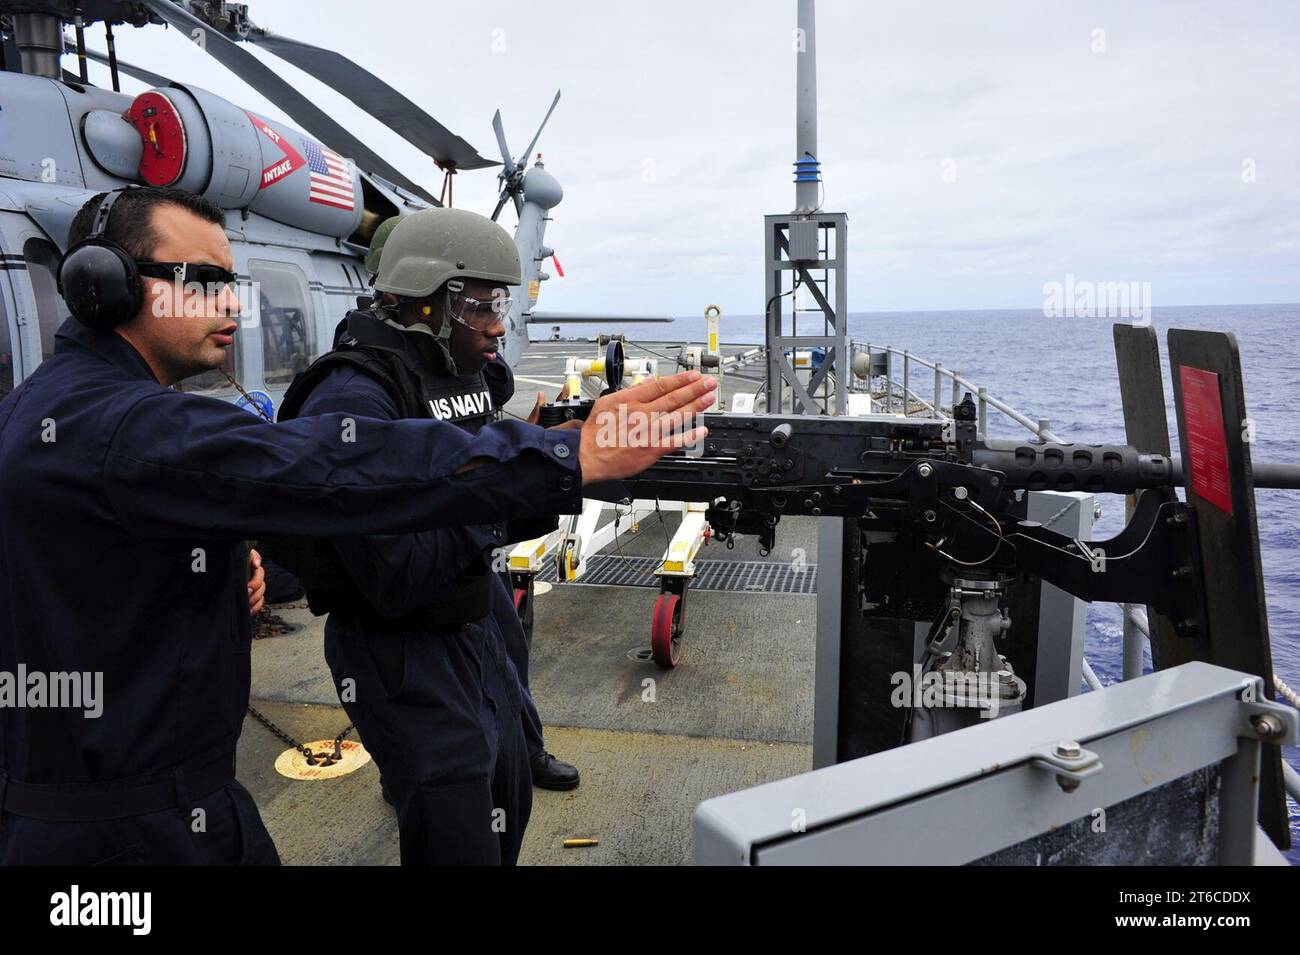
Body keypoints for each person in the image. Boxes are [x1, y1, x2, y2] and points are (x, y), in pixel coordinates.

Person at [0, 186, 715, 865]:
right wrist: (568, 454)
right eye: (203, 279)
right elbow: (328, 468)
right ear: (108, 285)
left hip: (158, 794)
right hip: (127, 826)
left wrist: (223, 572)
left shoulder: (64, 412)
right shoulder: (126, 425)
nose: (232, 303)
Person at [274, 208, 577, 865]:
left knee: (507, 788)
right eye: (481, 305)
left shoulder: (451, 372)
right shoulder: (352, 398)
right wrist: (517, 479)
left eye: (502, 303)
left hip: (467, 625)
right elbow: (396, 572)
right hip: (400, 649)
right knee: (457, 830)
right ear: (422, 303)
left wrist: (544, 457)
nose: (499, 323)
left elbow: (470, 477)